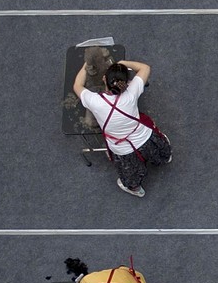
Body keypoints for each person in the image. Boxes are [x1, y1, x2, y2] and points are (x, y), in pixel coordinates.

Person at [73, 59, 172, 198]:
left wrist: (86, 63)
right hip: (145, 137)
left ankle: (135, 188)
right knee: (158, 150)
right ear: (126, 83)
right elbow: (145, 68)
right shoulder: (131, 93)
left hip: (123, 150)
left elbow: (77, 85)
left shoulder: (94, 101)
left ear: (104, 79)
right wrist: (123, 62)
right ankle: (164, 157)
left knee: (130, 172)